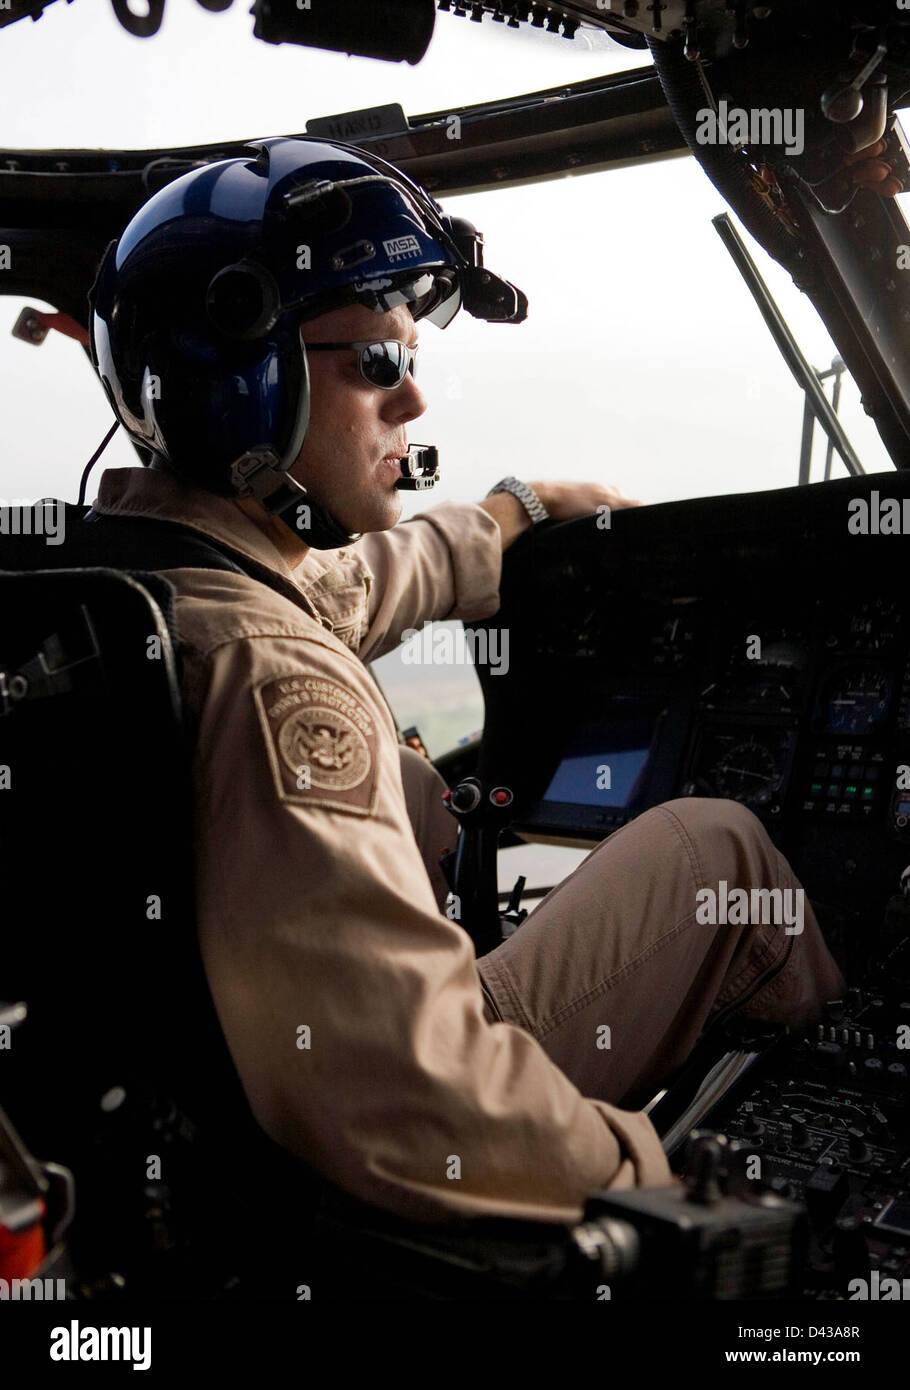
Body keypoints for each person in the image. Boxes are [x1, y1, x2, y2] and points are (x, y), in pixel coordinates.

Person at [87, 135, 843, 1228]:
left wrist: (511, 514)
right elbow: (411, 1103)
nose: (415, 405)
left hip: (194, 1114)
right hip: (358, 1161)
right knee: (719, 850)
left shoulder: (144, 581)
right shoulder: (271, 677)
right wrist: (685, 1204)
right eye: (380, 363)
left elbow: (342, 588)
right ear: (247, 383)